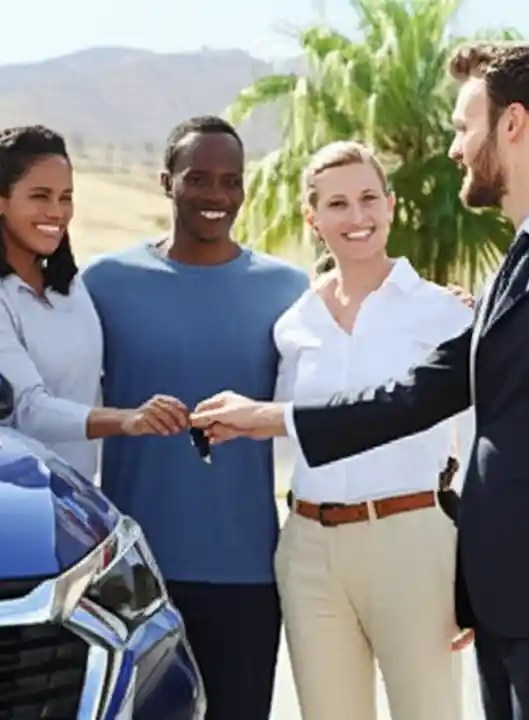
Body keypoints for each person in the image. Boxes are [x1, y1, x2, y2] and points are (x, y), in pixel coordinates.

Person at [189, 42, 529, 720]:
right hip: (509, 606)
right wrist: (271, 417)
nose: (454, 148)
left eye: (463, 126)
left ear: (513, 125)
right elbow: (417, 395)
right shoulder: (517, 267)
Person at [81, 115, 309, 719]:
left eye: (231, 181)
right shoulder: (105, 284)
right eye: (199, 178)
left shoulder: (287, 289)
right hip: (132, 573)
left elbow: (346, 369)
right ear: (167, 182)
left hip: (245, 569)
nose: (217, 195)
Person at [271, 139, 476, 720]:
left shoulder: (445, 312)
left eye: (368, 199)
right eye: (336, 204)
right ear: (312, 219)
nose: (356, 216)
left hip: (412, 541)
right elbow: (284, 444)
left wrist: (476, 574)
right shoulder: (293, 324)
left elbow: (479, 447)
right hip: (309, 549)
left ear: (390, 206)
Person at [0, 124, 188, 482]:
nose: (56, 212)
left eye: (65, 197)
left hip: (76, 495)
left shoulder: (69, 288)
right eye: (40, 196)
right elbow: (26, 410)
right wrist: (127, 420)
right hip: (14, 495)